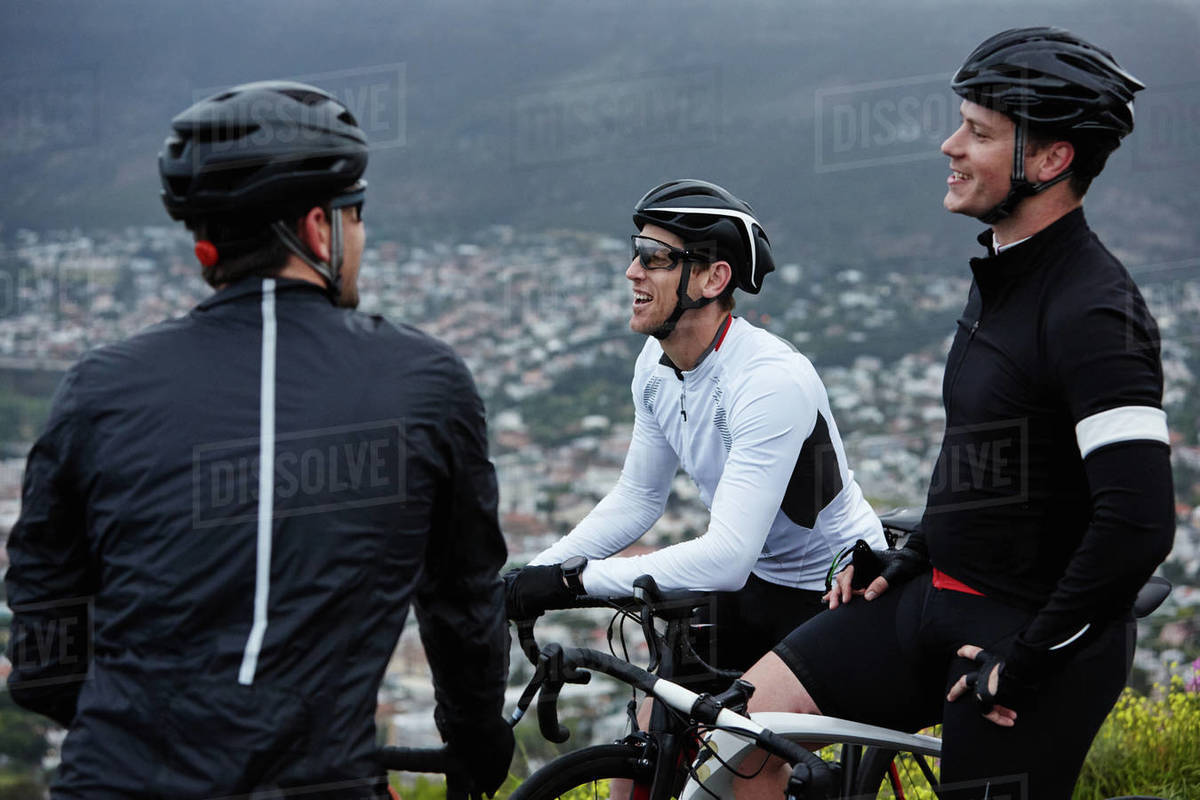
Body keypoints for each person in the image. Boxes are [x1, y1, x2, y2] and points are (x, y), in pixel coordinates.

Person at [4, 81, 513, 799]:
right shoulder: (424, 380)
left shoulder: (99, 387)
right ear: (317, 229)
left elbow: (40, 639)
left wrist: (139, 729)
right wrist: (476, 736)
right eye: (355, 217)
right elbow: (461, 601)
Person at [736, 28, 1175, 800]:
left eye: (977, 132)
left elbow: (1139, 524)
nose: (949, 145)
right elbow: (984, 452)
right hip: (934, 597)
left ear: (1048, 161)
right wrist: (908, 555)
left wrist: (1032, 657)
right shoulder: (1002, 276)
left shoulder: (1095, 311)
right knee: (742, 731)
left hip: (1029, 641)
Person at [506, 179, 884, 673]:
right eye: (635, 253)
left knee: (744, 746)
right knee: (654, 730)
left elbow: (726, 557)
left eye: (654, 257)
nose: (631, 272)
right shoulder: (655, 364)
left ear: (713, 279)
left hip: (832, 586)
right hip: (755, 580)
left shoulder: (769, 381)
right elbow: (638, 497)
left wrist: (576, 580)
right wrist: (533, 577)